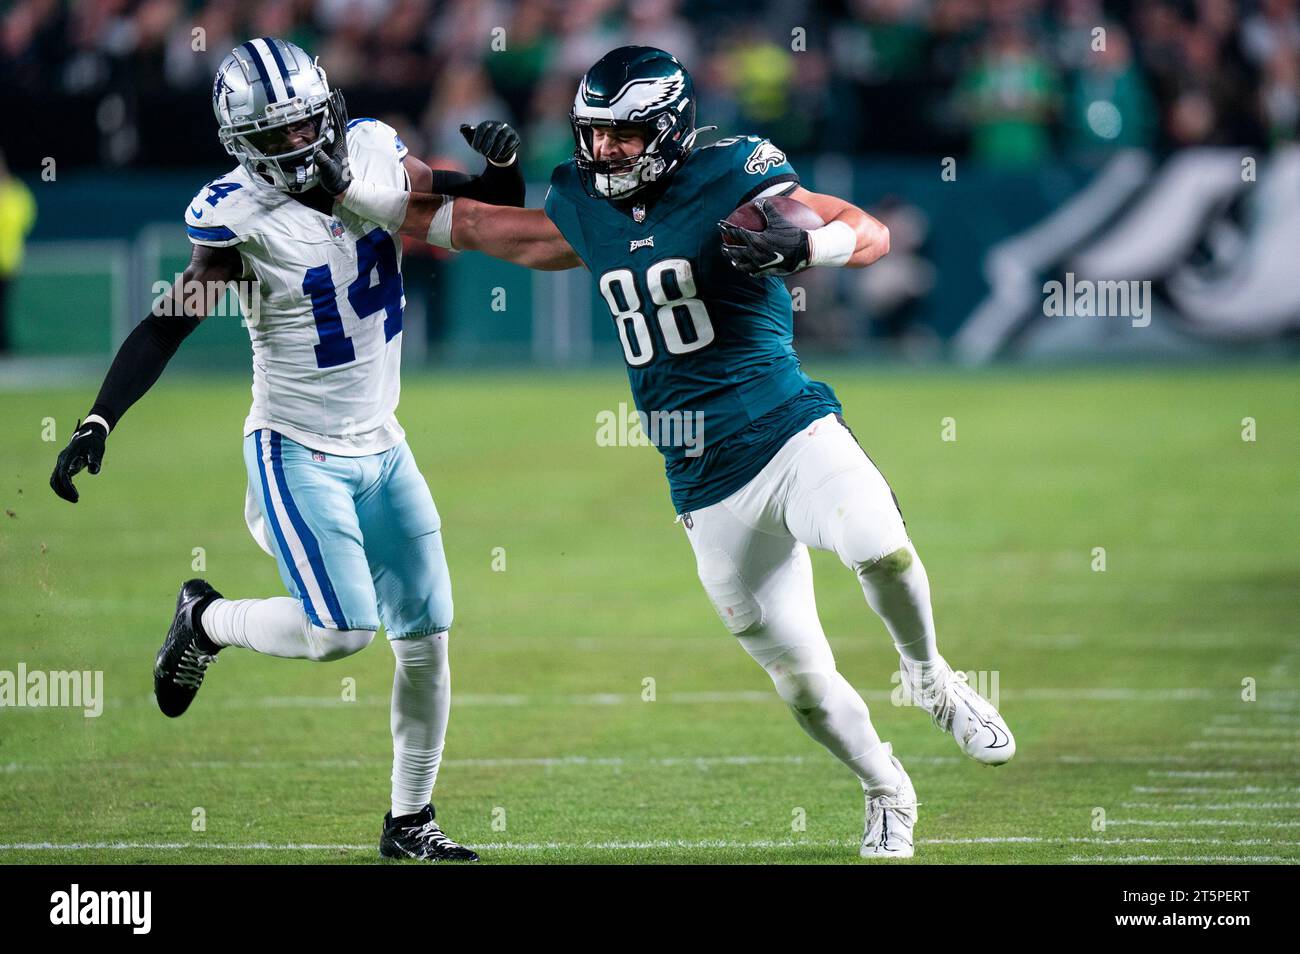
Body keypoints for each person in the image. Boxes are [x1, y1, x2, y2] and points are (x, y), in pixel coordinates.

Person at [323, 45, 1016, 861]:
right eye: (594, 134)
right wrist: (343, 185)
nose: (604, 151)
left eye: (623, 135)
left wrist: (807, 251)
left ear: (670, 128)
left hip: (789, 429)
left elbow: (866, 231)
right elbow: (479, 228)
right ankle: (887, 790)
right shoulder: (584, 200)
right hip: (700, 479)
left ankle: (929, 676)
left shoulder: (736, 174)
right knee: (803, 688)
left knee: (881, 549)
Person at [49, 37, 524, 862]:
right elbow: (171, 320)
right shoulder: (238, 219)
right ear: (242, 146)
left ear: (329, 111)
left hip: (383, 444)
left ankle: (410, 821)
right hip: (296, 447)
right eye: (278, 138)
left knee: (427, 638)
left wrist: (505, 169)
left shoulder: (374, 152)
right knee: (342, 633)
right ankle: (206, 619)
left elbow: (476, 206)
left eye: (307, 125)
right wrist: (100, 417)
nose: (303, 148)